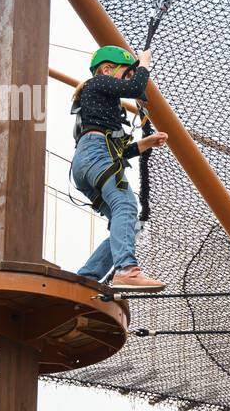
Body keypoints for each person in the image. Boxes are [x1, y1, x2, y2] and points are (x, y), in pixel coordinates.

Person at [70, 45, 170, 291]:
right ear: (106, 69)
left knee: (127, 223)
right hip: (95, 155)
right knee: (125, 204)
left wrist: (145, 144)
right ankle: (126, 269)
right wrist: (144, 63)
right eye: (125, 73)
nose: (127, 80)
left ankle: (88, 278)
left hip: (89, 163)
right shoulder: (96, 83)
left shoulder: (101, 107)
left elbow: (119, 151)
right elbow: (135, 87)